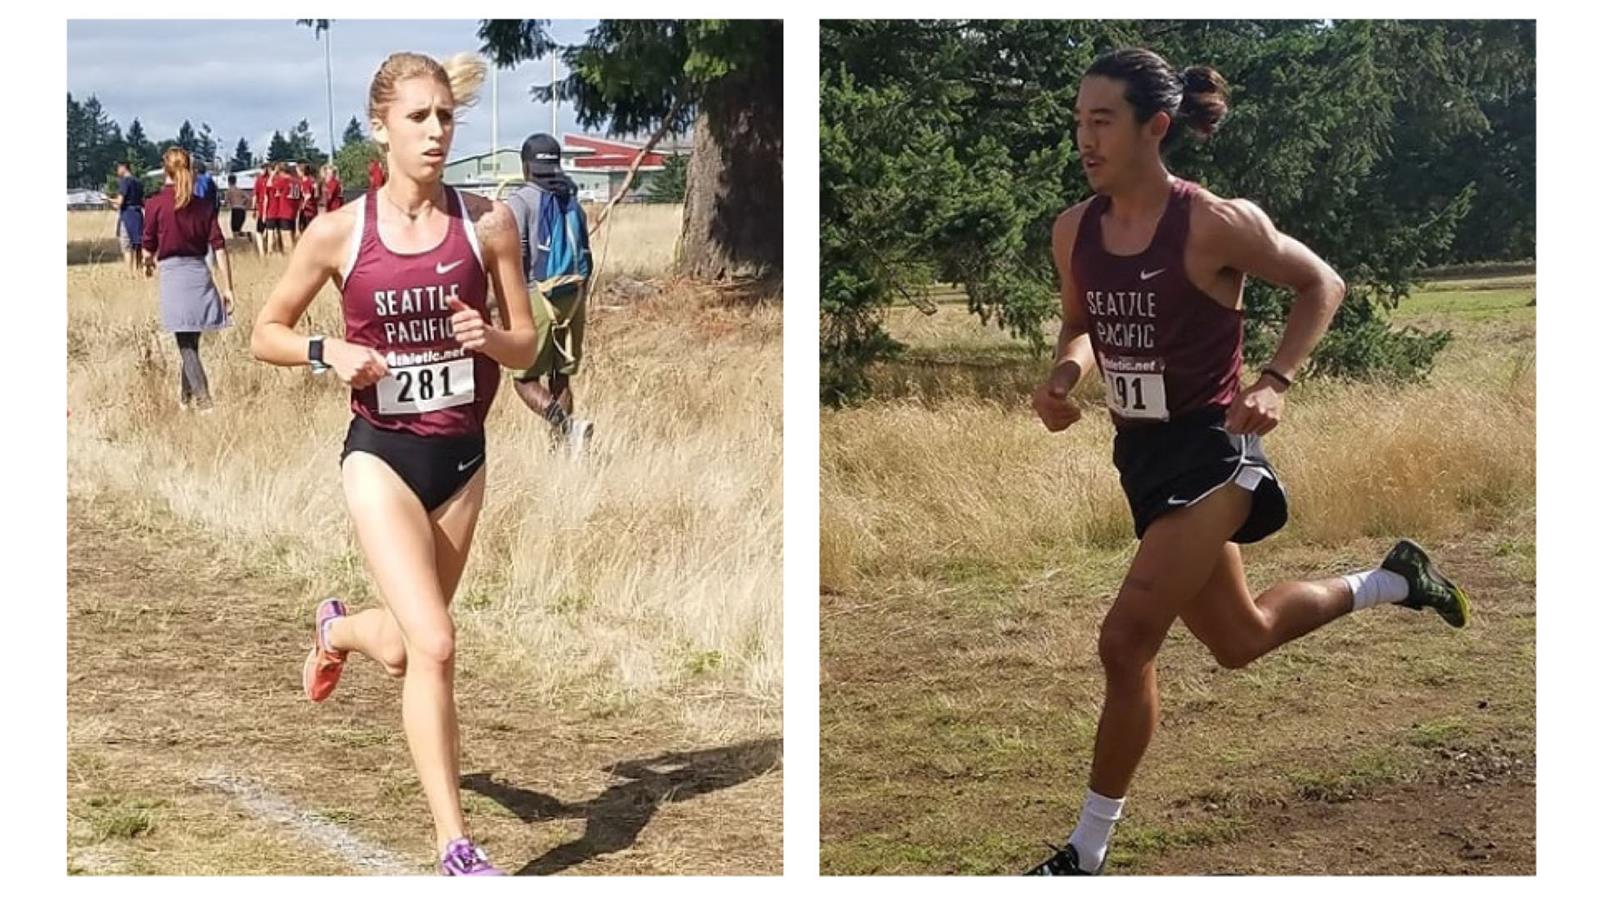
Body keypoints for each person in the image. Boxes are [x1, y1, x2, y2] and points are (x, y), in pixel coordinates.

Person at [1023, 48, 1471, 876]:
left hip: (1215, 452)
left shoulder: (1213, 222)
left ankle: (1085, 854)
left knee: (1125, 644)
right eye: (1078, 121)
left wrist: (1275, 380)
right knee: (1242, 637)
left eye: (1101, 121)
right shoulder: (1073, 231)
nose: (1084, 139)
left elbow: (1321, 284)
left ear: (1154, 127)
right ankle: (1395, 581)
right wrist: (1065, 376)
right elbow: (1080, 326)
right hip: (1143, 457)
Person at [251, 50, 536, 877]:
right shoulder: (341, 230)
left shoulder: (489, 224)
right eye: (419, 118)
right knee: (439, 644)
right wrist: (327, 350)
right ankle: (455, 844)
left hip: (462, 458)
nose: (437, 132)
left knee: (412, 651)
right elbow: (267, 331)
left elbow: (529, 344)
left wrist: (494, 340)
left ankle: (336, 628)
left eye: (445, 116)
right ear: (380, 129)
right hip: (378, 455)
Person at [502, 132, 594, 450]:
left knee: (524, 379)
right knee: (560, 377)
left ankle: (567, 429)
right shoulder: (571, 199)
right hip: (574, 297)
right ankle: (564, 453)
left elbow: (516, 256)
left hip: (538, 296)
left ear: (525, 165)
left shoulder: (519, 201)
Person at [141, 147, 233, 411]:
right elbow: (219, 246)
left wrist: (148, 264)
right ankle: (185, 400)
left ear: (164, 169)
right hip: (199, 273)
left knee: (185, 343)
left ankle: (204, 402)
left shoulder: (155, 204)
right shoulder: (203, 206)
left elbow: (148, 246)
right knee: (191, 339)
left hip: (173, 276)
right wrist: (228, 287)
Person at [112, 161, 145, 275]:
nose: (117, 171)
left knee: (127, 245)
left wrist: (110, 201)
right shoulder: (138, 182)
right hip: (138, 214)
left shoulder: (125, 182)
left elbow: (120, 202)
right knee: (138, 243)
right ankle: (140, 269)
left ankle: (129, 272)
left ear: (123, 168)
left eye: (118, 168)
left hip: (127, 215)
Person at [267, 162, 297, 254]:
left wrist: (272, 175)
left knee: (286, 237)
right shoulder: (296, 181)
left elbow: (269, 185)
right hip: (294, 211)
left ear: (281, 171)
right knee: (292, 235)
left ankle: (291, 256)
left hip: (285, 211)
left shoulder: (283, 180)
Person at [252, 164, 272, 255]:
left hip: (262, 209)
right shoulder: (272, 179)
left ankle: (262, 252)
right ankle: (269, 250)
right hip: (272, 210)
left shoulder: (259, 180)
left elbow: (255, 195)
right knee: (270, 231)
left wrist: (253, 208)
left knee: (259, 232)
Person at [224, 173, 250, 240]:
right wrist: (245, 205)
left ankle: (239, 242)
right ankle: (246, 234)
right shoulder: (240, 190)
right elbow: (248, 198)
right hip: (242, 210)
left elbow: (226, 201)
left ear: (228, 182)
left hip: (235, 210)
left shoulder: (229, 191)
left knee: (234, 230)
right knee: (238, 229)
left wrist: (227, 204)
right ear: (235, 181)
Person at [299, 162, 320, 233]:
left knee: (307, 230)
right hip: (313, 209)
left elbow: (308, 195)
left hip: (307, 210)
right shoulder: (312, 180)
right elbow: (316, 195)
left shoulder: (306, 181)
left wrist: (303, 205)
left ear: (302, 172)